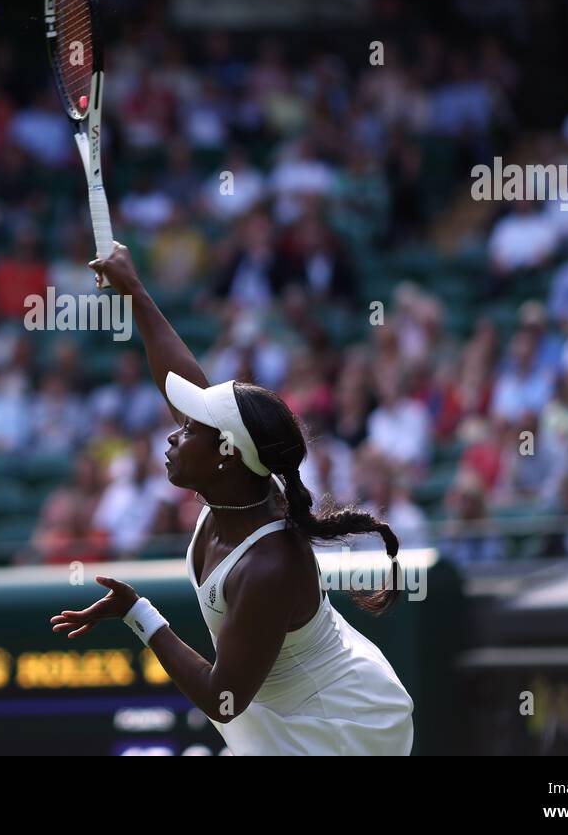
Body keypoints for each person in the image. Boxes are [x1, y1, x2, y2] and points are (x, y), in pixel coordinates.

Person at [52, 243, 414, 755]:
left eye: (189, 429)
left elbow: (224, 700)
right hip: (285, 708)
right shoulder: (236, 478)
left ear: (226, 454)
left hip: (341, 724)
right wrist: (134, 288)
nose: (174, 434)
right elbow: (176, 379)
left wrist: (140, 614)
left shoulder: (270, 565)